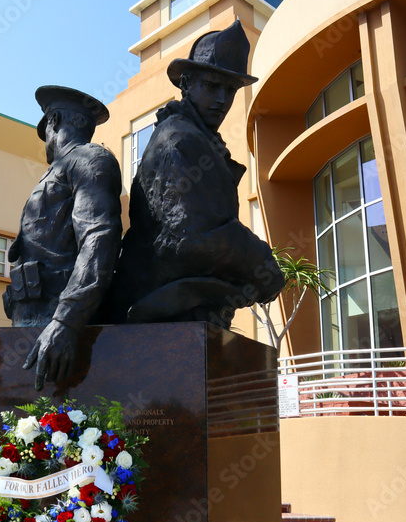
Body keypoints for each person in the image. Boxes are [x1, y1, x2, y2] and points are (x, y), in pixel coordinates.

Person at [108, 21, 284, 329]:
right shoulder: (180, 139)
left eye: (230, 90)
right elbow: (193, 238)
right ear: (187, 84)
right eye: (212, 86)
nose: (222, 99)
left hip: (181, 316)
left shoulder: (200, 140)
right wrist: (262, 264)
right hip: (162, 315)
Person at [3, 86, 122, 389]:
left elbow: (98, 239)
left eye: (44, 132)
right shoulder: (59, 169)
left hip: (58, 322)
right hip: (33, 317)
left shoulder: (88, 159)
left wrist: (66, 321)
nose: (46, 144)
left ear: (53, 121)